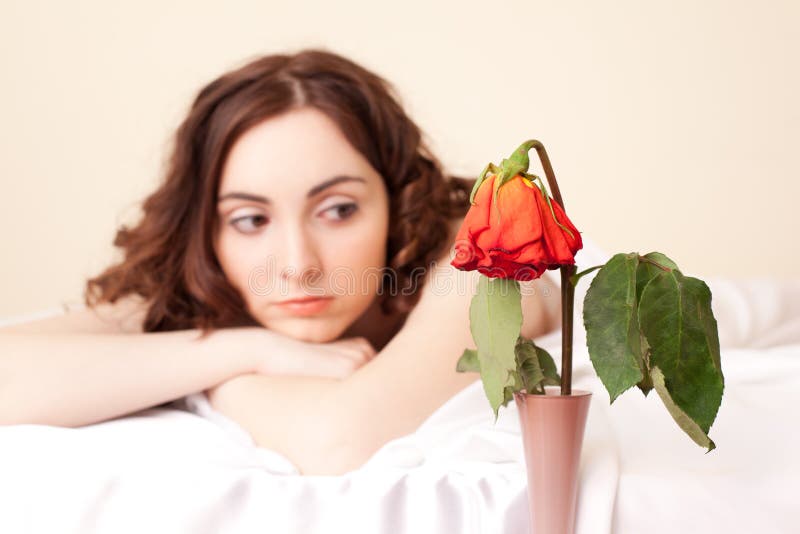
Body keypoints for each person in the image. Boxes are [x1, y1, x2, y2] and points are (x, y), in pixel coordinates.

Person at [0, 48, 560, 475]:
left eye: (338, 210)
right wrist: (241, 349)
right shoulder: (218, 288)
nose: (296, 266)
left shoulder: (483, 261)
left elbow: (341, 439)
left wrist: (214, 380)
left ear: (398, 200)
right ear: (207, 233)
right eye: (250, 220)